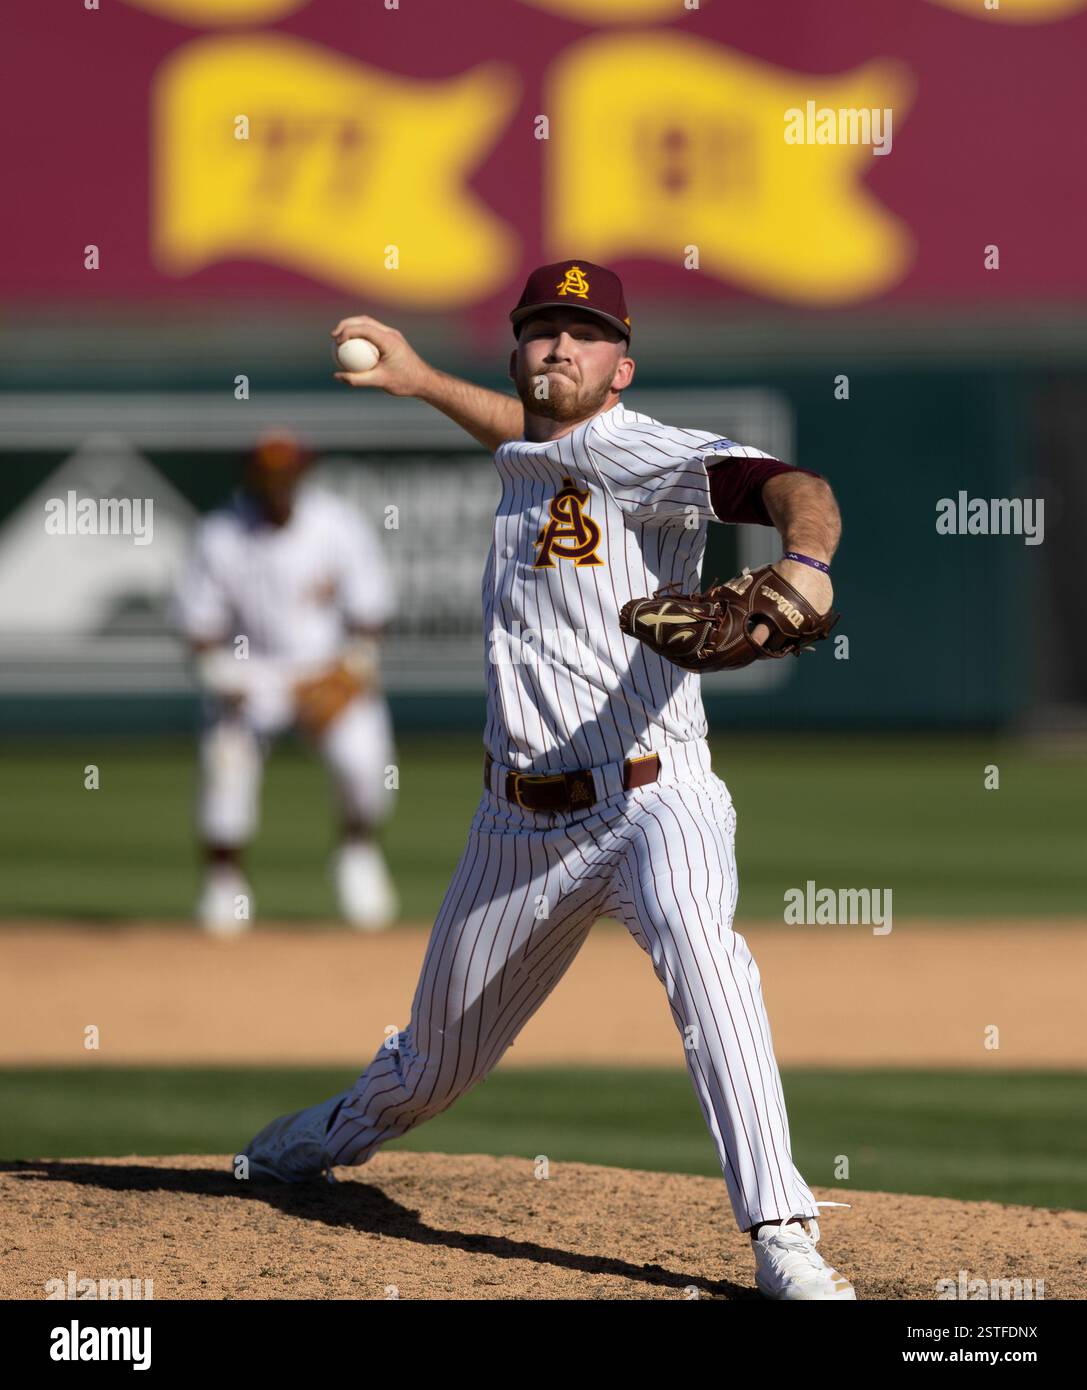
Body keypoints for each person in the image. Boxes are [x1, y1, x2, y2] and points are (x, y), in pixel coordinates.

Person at [240, 262, 854, 1299]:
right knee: (431, 1068)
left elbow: (799, 488)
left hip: (657, 792)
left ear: (622, 364)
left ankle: (782, 1231)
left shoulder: (650, 449)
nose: (558, 348)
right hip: (515, 826)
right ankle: (322, 1137)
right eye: (539, 331)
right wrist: (424, 379)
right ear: (519, 353)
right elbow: (525, 436)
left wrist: (805, 560)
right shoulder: (534, 444)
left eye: (583, 333)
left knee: (702, 954)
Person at [175, 430, 397, 935]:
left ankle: (357, 856)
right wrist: (219, 675)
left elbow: (372, 613)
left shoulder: (337, 525)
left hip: (325, 668)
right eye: (269, 473)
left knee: (365, 762)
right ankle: (224, 883)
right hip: (251, 674)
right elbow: (197, 630)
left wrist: (354, 667)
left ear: (303, 475)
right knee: (226, 767)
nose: (279, 483)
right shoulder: (219, 534)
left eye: (288, 473)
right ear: (251, 476)